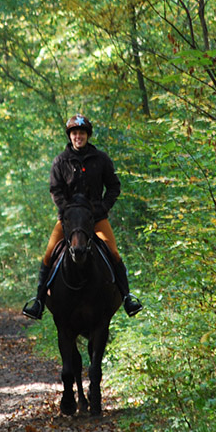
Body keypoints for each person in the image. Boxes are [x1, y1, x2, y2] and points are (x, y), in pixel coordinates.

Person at [22, 114, 143, 319]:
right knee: (49, 253)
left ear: (88, 135)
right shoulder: (60, 161)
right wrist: (66, 211)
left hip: (96, 218)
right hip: (69, 220)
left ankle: (127, 298)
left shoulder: (101, 159)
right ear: (70, 136)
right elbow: (55, 190)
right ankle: (39, 301)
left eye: (82, 133)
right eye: (75, 133)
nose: (78, 136)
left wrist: (103, 207)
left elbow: (114, 186)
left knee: (113, 252)